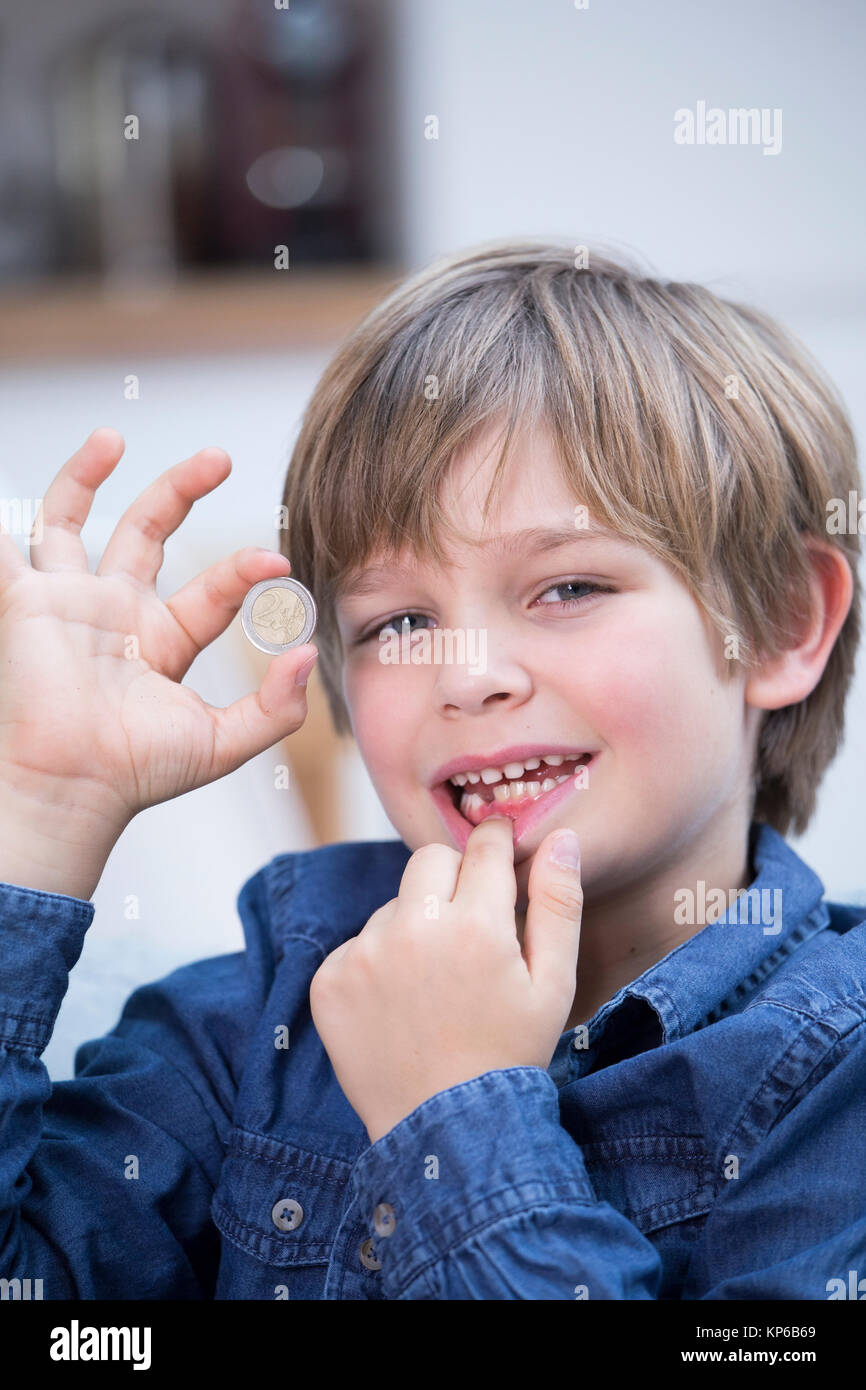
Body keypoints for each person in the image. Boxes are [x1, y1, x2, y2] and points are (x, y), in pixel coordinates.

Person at [1, 240, 864, 1301]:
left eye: (566, 588)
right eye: (399, 619)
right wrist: (41, 816)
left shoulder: (838, 1076)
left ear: (780, 624)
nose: (469, 676)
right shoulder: (233, 1034)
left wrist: (455, 1107)